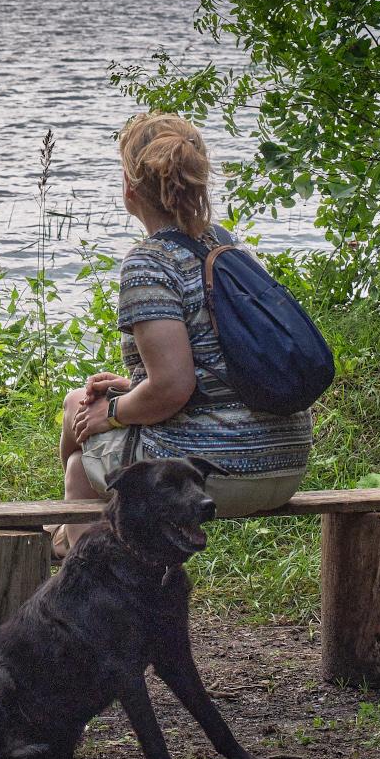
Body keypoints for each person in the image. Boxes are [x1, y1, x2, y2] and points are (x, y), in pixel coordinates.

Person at [54, 112, 312, 556]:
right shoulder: (224, 245)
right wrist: (135, 390)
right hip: (286, 463)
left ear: (129, 188)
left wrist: (113, 411)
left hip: (217, 475)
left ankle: (78, 560)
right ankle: (76, 540)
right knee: (92, 422)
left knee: (78, 423)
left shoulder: (148, 263)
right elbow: (219, 367)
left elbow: (173, 387)